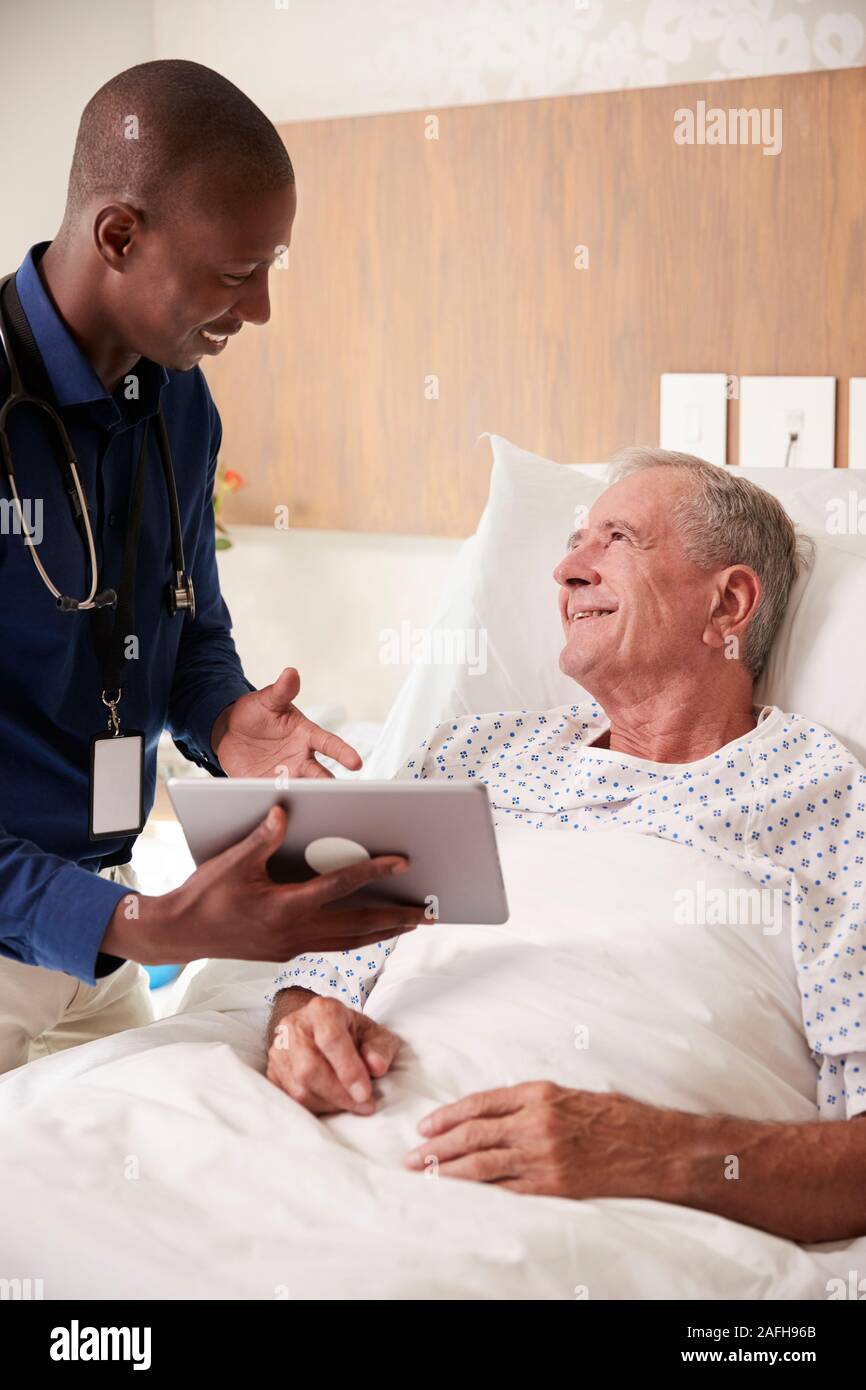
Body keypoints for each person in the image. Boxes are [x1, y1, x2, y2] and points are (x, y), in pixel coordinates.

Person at [265, 449, 866, 1243]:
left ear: (728, 606)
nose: (565, 570)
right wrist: (303, 1029)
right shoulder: (464, 755)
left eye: (615, 539)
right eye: (574, 539)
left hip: (609, 1223)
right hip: (331, 1156)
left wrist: (658, 1154)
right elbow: (320, 973)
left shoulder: (826, 803)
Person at [0, 60, 425, 1073]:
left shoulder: (176, 406)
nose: (263, 308)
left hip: (96, 947)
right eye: (238, 273)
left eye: (271, 265)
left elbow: (191, 628)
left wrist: (224, 715)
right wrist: (152, 924)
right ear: (118, 235)